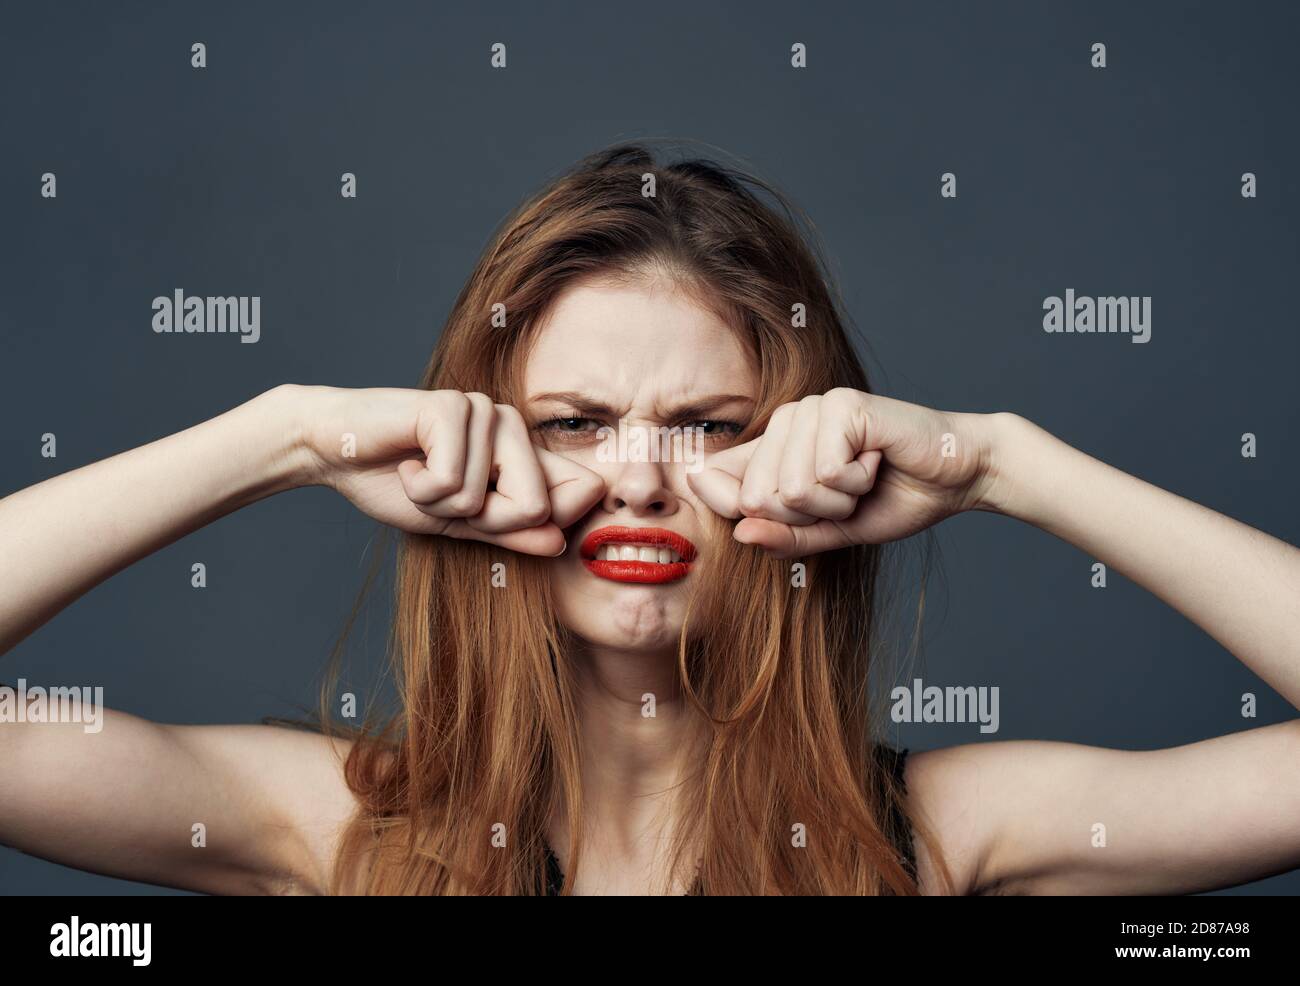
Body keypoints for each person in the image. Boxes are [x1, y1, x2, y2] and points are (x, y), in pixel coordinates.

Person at [2, 142, 1298, 895]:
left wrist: (1003, 464)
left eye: (711, 427)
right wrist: (279, 437)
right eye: (574, 421)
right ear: (480, 448)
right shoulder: (340, 829)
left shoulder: (946, 833)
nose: (638, 478)